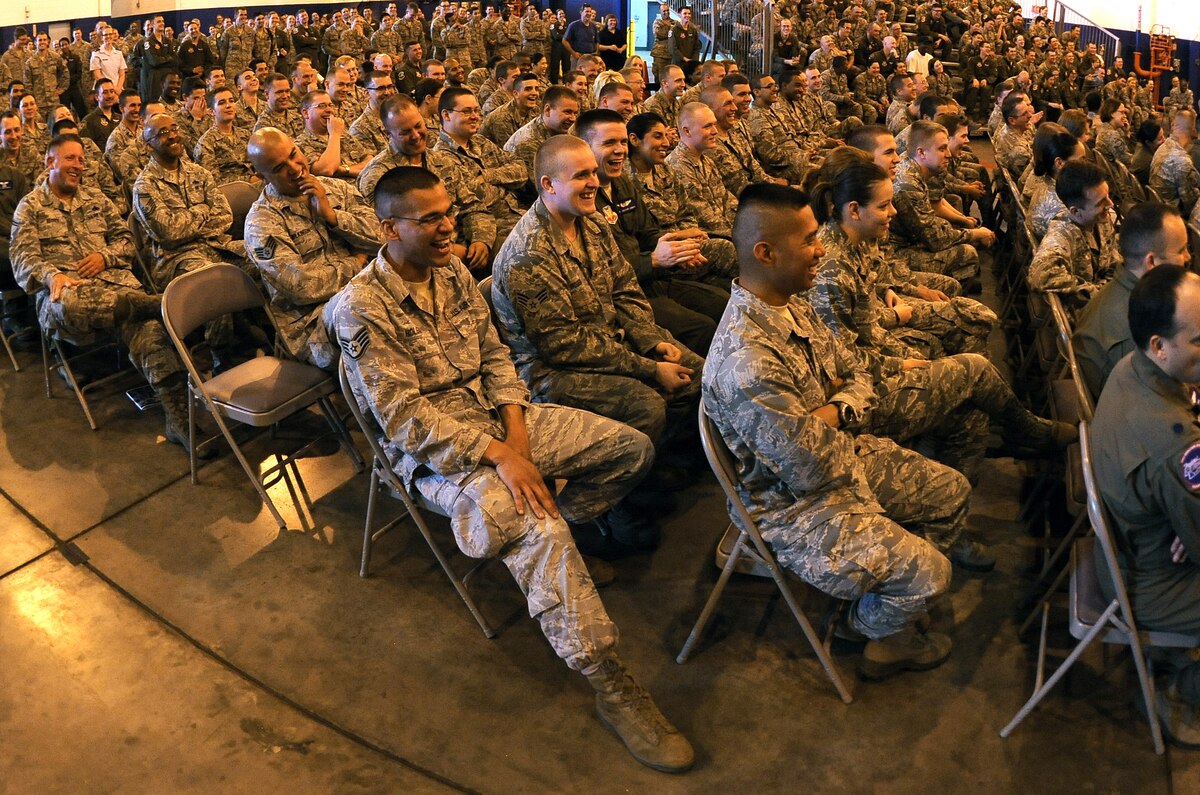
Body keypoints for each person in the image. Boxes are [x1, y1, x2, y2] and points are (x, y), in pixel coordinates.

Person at [332, 166, 693, 772]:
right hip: (438, 455)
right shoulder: (361, 308)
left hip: (499, 417)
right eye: (430, 220)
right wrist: (500, 457)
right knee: (539, 524)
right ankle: (607, 680)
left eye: (449, 213)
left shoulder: (451, 271)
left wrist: (517, 431)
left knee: (629, 449)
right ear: (387, 227)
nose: (450, 228)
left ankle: (547, 547)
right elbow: (403, 421)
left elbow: (496, 356)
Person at [702, 182, 958, 679]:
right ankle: (869, 632)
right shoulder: (747, 361)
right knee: (933, 575)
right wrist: (840, 408)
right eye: (810, 241)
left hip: (839, 457)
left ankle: (884, 608)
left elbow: (856, 371)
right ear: (766, 252)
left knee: (952, 493)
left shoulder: (789, 302)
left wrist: (832, 411)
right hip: (792, 505)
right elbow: (808, 466)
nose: (822, 250)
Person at [491, 135, 705, 545]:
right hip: (550, 371)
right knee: (646, 404)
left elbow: (624, 287)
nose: (594, 183)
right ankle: (585, 518)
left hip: (610, 344)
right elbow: (564, 346)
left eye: (593, 172)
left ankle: (644, 470)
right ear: (548, 185)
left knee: (699, 373)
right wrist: (648, 367)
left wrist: (649, 340)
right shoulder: (528, 255)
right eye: (581, 175)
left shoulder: (588, 222)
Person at [10, 134, 196, 453]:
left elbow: (127, 240)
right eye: (70, 159)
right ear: (50, 162)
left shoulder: (96, 198)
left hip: (118, 286)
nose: (78, 166)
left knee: (151, 333)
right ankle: (159, 305)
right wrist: (52, 275)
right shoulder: (31, 207)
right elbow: (23, 258)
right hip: (67, 297)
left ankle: (178, 419)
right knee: (69, 302)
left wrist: (105, 257)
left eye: (82, 160)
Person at [1090, 265, 1200, 749]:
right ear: (1160, 346)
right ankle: (1185, 696)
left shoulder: (1131, 367)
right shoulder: (1173, 447)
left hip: (1126, 549)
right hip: (1149, 580)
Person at [244, 127, 379, 369]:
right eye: (279, 168)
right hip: (313, 326)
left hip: (370, 293)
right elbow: (302, 287)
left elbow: (383, 237)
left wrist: (332, 217)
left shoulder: (337, 189)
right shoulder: (262, 223)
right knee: (372, 324)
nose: (295, 168)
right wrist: (357, 263)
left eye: (294, 154)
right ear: (260, 174)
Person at [1074, 202, 1190, 399]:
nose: (1188, 257)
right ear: (1152, 262)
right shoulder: (1141, 334)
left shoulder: (1118, 293)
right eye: (1181, 250)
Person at [1028, 159, 1120, 305]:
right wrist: (1095, 292)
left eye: (1108, 196)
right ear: (1075, 211)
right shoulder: (1061, 235)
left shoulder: (1099, 220)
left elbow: (1112, 262)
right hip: (1091, 312)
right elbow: (1039, 275)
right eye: (1101, 202)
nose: (1110, 204)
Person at [194, 86, 255, 184]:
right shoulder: (206, 142)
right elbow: (213, 183)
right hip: (229, 193)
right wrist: (248, 181)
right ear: (212, 111)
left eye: (231, 101)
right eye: (222, 103)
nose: (228, 105)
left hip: (256, 186)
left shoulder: (245, 135)